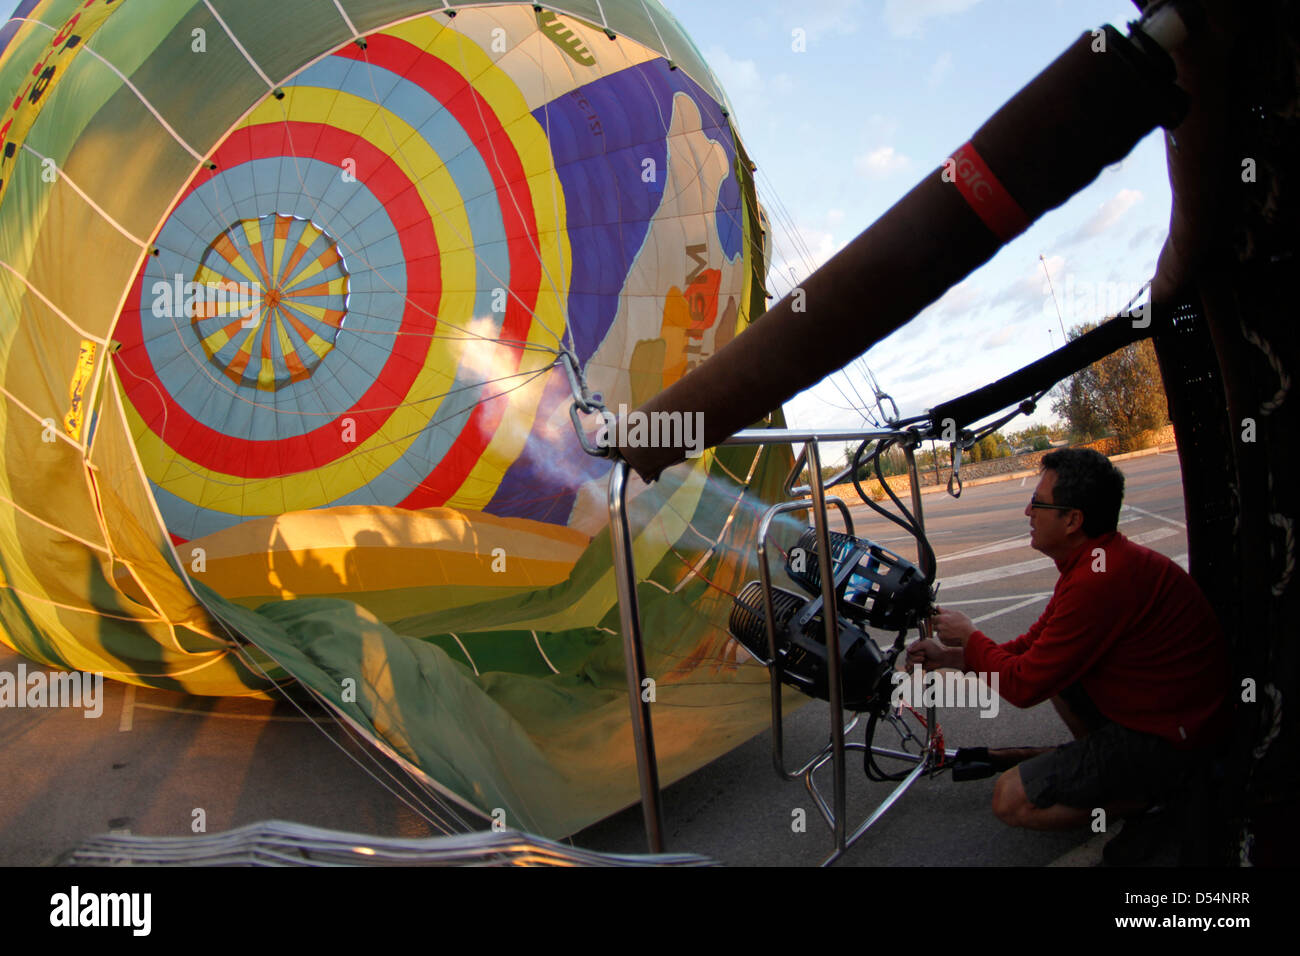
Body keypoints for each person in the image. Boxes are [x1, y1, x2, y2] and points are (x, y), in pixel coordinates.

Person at [907, 448, 1230, 843]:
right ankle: (1106, 767)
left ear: (1073, 520)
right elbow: (1033, 648)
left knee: (1010, 800)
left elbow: (1025, 687)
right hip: (1159, 713)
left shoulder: (1101, 578)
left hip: (1172, 739)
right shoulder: (1095, 562)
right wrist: (953, 656)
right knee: (1058, 675)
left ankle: (1152, 798)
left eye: (1037, 503)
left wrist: (971, 637)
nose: (1028, 512)